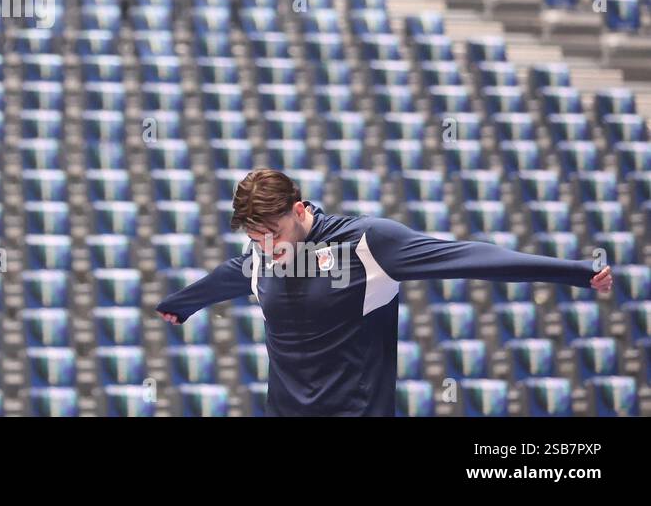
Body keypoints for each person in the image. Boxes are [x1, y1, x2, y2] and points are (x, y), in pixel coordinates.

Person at [155, 169, 615, 416]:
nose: (268, 248)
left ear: (299, 209)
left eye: (274, 233)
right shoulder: (260, 258)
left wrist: (575, 272)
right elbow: (227, 276)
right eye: (257, 239)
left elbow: (468, 257)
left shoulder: (369, 244)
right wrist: (182, 305)